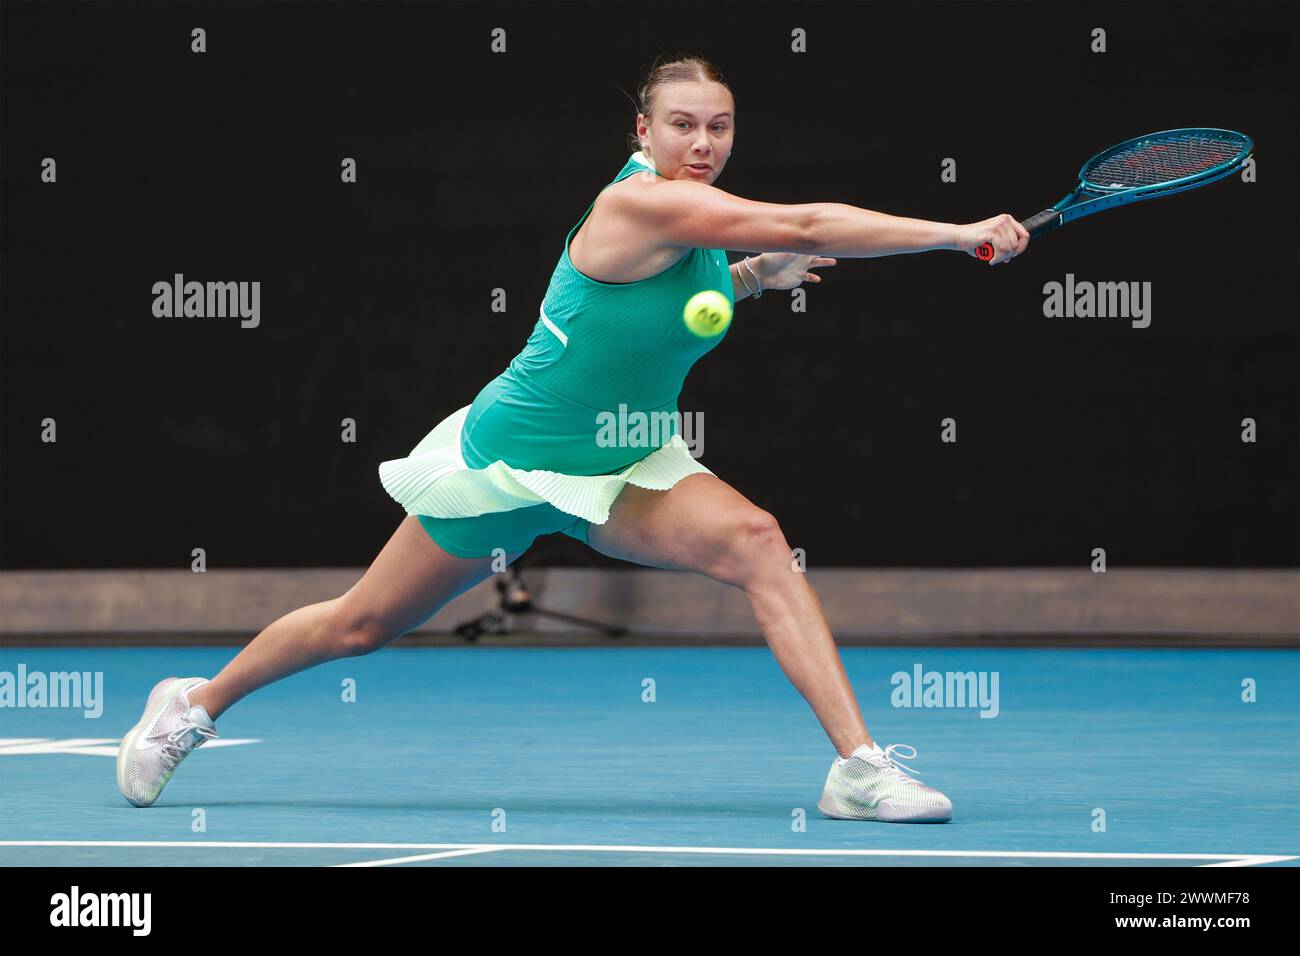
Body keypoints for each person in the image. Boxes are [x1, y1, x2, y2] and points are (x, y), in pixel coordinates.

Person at [117, 54, 1028, 822]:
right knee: (360, 626)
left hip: (625, 463)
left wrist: (751, 278)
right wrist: (957, 233)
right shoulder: (640, 205)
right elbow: (803, 220)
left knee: (758, 541)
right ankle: (191, 707)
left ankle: (857, 770)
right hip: (514, 458)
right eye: (681, 126)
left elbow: (664, 311)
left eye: (719, 127)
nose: (702, 144)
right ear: (642, 133)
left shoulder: (701, 217)